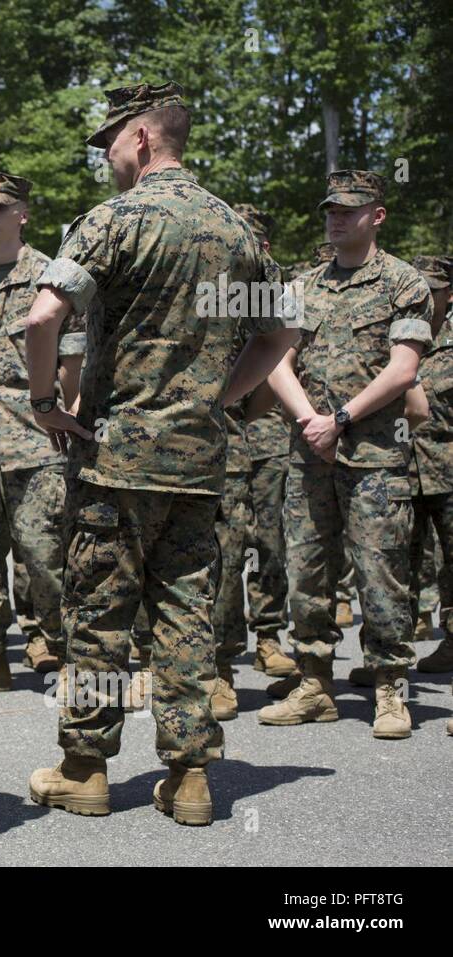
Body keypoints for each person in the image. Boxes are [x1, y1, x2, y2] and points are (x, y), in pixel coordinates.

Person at [22, 82, 297, 826]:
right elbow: (279, 337)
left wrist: (46, 402)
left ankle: (85, 768)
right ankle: (190, 776)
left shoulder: (115, 221)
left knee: (100, 616)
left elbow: (43, 314)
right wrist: (221, 397)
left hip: (116, 460)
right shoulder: (237, 231)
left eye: (110, 141)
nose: (105, 156)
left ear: (142, 137)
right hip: (198, 463)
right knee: (185, 614)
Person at [260, 170, 432, 740]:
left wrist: (341, 419)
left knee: (382, 575)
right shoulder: (300, 287)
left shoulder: (404, 283)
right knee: (306, 572)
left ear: (376, 216)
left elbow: (403, 369)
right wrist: (311, 419)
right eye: (329, 211)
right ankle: (314, 685)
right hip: (310, 451)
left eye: (348, 211)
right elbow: (276, 359)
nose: (336, 219)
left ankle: (389, 689)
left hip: (376, 459)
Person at [0, 171, 84, 691]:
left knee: (45, 556)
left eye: (0, 206)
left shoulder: (49, 277)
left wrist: (70, 415)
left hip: (37, 440)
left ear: (23, 214)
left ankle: (62, 648)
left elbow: (73, 358)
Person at [233, 207, 298, 682]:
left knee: (268, 542)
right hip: (220, 439)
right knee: (223, 546)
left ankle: (270, 636)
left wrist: (241, 411)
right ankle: (221, 658)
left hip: (267, 436)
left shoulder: (278, 297)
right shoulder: (213, 297)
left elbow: (279, 370)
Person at [403, 255, 453, 675]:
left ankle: (451, 642)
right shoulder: (397, 337)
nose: (425, 296)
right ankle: (389, 658)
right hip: (401, 470)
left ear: (448, 295)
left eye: (433, 290)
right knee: (396, 564)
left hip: (448, 473)